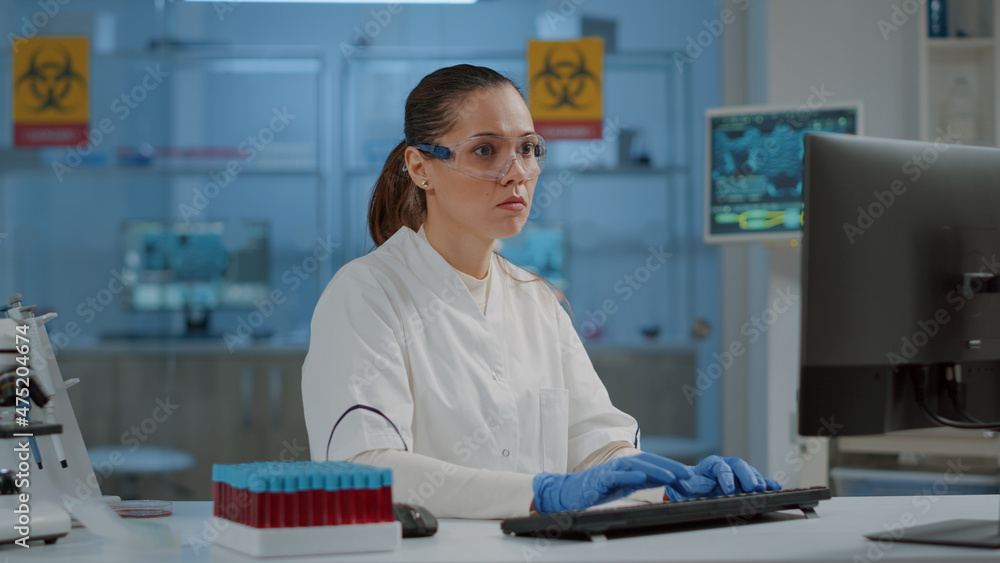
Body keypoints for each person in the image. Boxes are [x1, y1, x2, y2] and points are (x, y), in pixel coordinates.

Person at [302, 64, 779, 519]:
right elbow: (364, 467)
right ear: (421, 167)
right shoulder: (366, 294)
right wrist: (538, 494)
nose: (517, 173)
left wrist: (669, 487)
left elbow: (597, 442)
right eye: (485, 150)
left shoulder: (536, 300)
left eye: (527, 148)